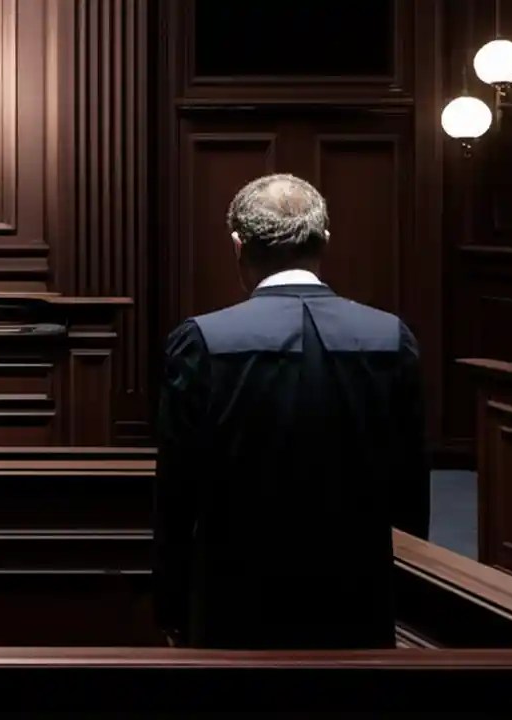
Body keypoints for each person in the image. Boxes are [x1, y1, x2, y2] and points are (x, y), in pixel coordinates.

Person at [153, 173, 430, 650]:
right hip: (356, 596)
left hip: (234, 600)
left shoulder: (201, 341)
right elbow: (410, 489)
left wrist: (171, 607)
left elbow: (177, 492)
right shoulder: (391, 337)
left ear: (238, 246)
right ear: (323, 240)